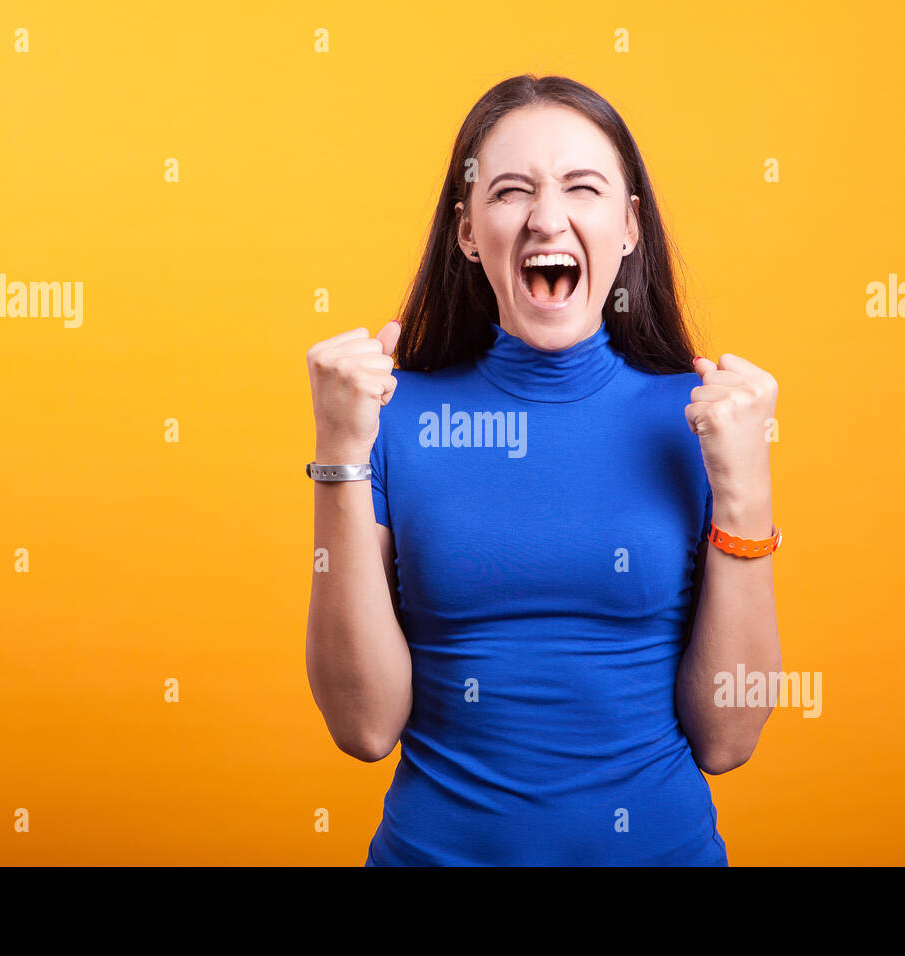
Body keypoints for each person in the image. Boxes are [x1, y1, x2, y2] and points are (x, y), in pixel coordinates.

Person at [305, 74, 782, 866]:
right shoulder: (386, 417)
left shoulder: (705, 423)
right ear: (466, 232)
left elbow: (729, 738)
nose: (546, 219)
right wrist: (339, 454)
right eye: (510, 192)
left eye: (583, 188)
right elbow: (363, 728)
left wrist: (745, 492)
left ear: (629, 227)